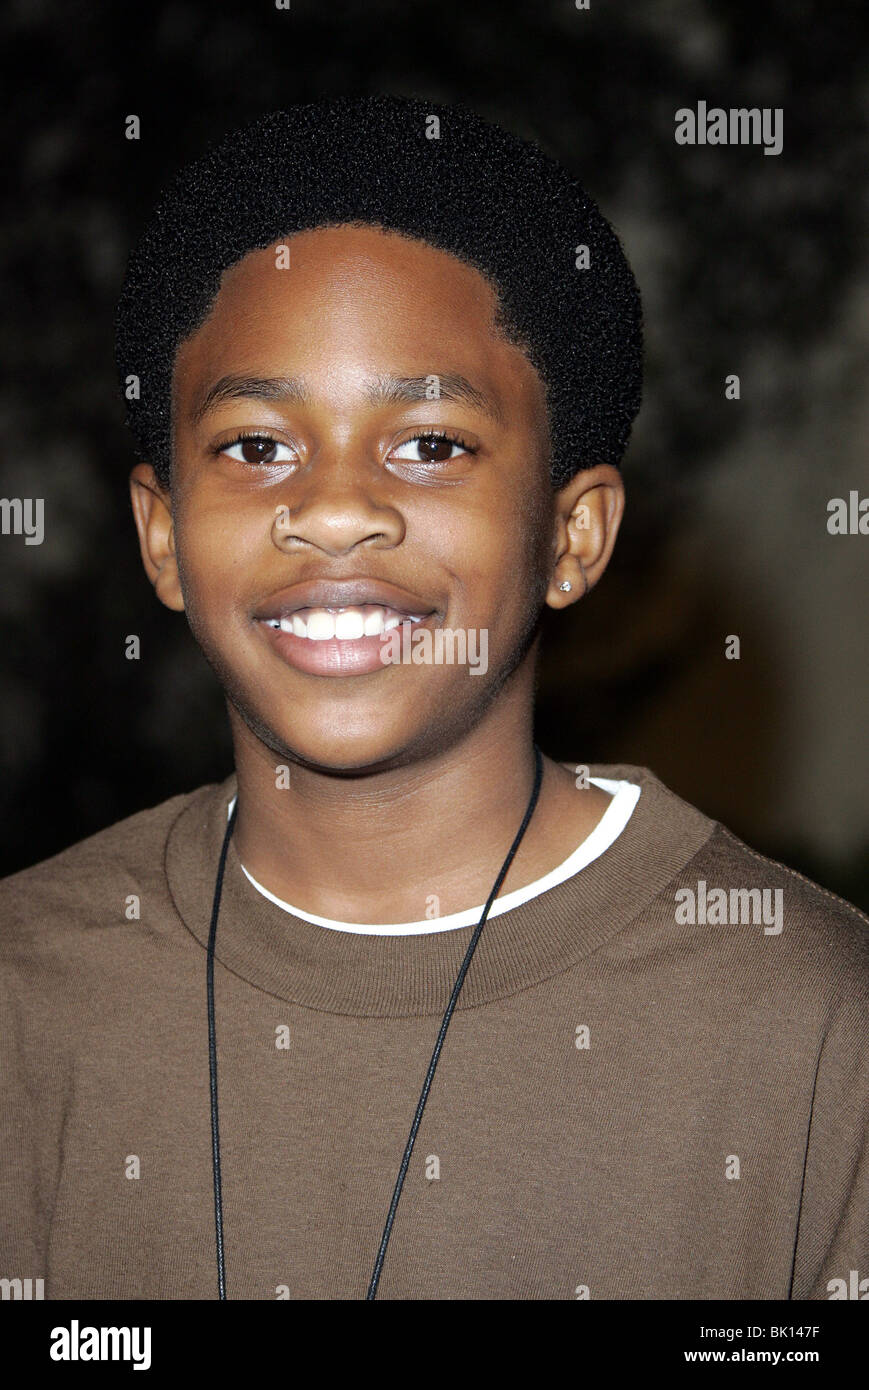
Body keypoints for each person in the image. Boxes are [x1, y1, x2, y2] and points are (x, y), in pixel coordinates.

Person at [1, 95, 866, 1301]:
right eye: (256, 446)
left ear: (572, 534)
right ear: (160, 536)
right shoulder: (26, 989)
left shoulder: (816, 1026)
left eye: (430, 443)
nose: (337, 506)